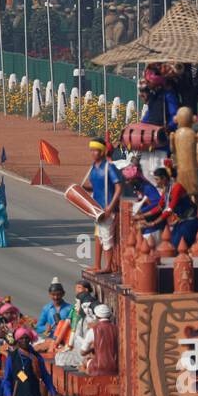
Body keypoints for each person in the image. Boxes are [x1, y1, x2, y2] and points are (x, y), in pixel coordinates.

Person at [80, 139, 122, 275]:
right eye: (91, 150)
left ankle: (108, 266)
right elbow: (96, 187)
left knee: (107, 237)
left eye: (96, 150)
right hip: (97, 209)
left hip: (107, 209)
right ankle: (100, 265)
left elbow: (118, 187)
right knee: (101, 236)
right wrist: (83, 188)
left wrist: (110, 206)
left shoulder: (108, 167)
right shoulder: (93, 168)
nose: (93, 153)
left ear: (103, 152)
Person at [81, 303, 118, 376]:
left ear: (96, 316)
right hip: (115, 367)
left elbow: (82, 352)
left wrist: (92, 348)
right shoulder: (117, 329)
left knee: (85, 361)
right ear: (109, 316)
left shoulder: (92, 331)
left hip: (98, 367)